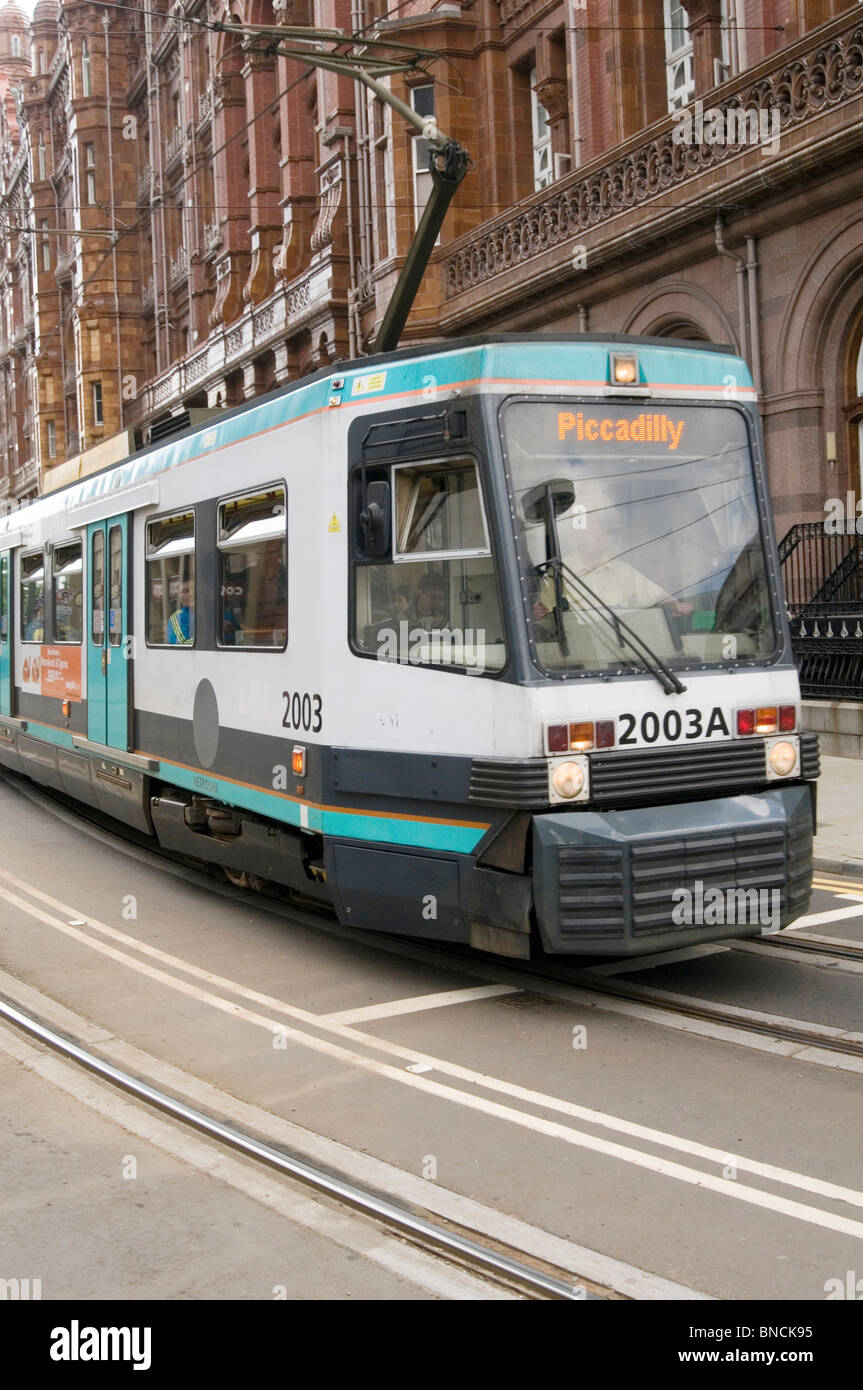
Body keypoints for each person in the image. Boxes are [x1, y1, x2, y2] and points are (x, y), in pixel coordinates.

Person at [168, 579, 195, 645]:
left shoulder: (210, 614)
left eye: (194, 589)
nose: (191, 594)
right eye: (185, 591)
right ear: (179, 597)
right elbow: (182, 643)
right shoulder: (177, 618)